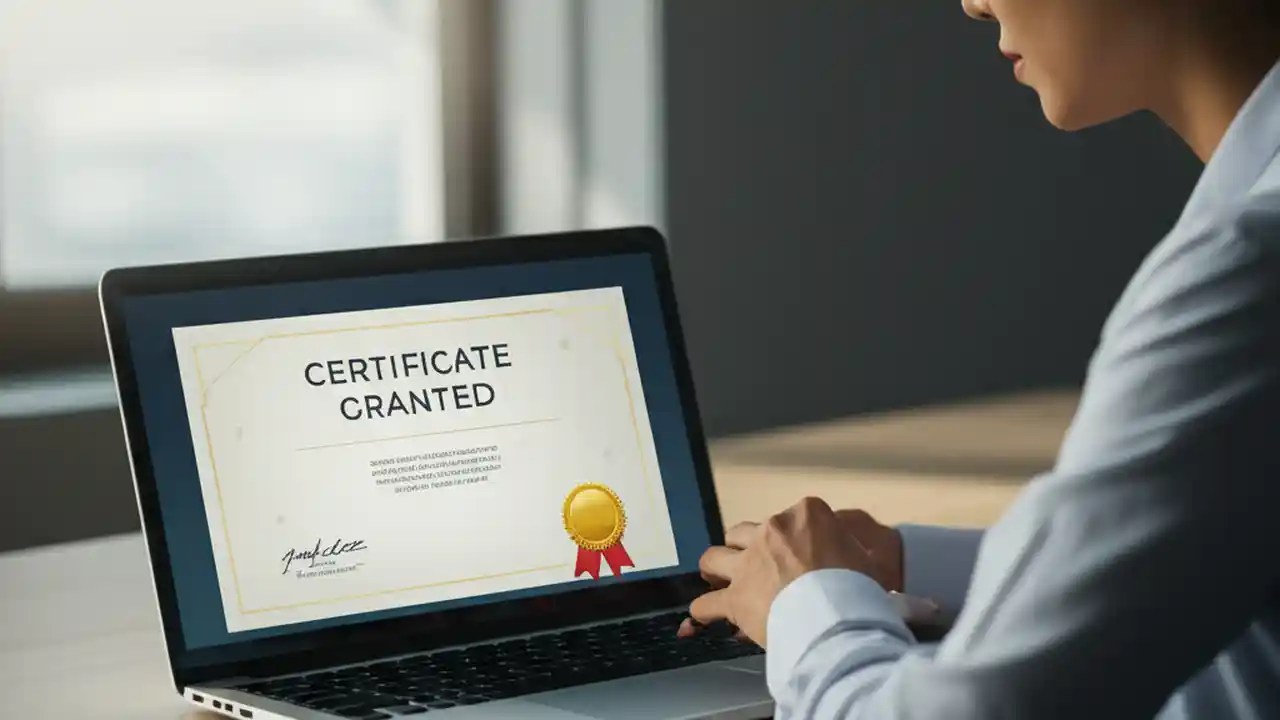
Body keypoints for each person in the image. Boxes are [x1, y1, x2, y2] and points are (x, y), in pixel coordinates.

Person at [679, 1, 1280, 717]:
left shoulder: (1244, 280)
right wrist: (905, 566)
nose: (971, 0)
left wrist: (810, 608)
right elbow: (1208, 550)